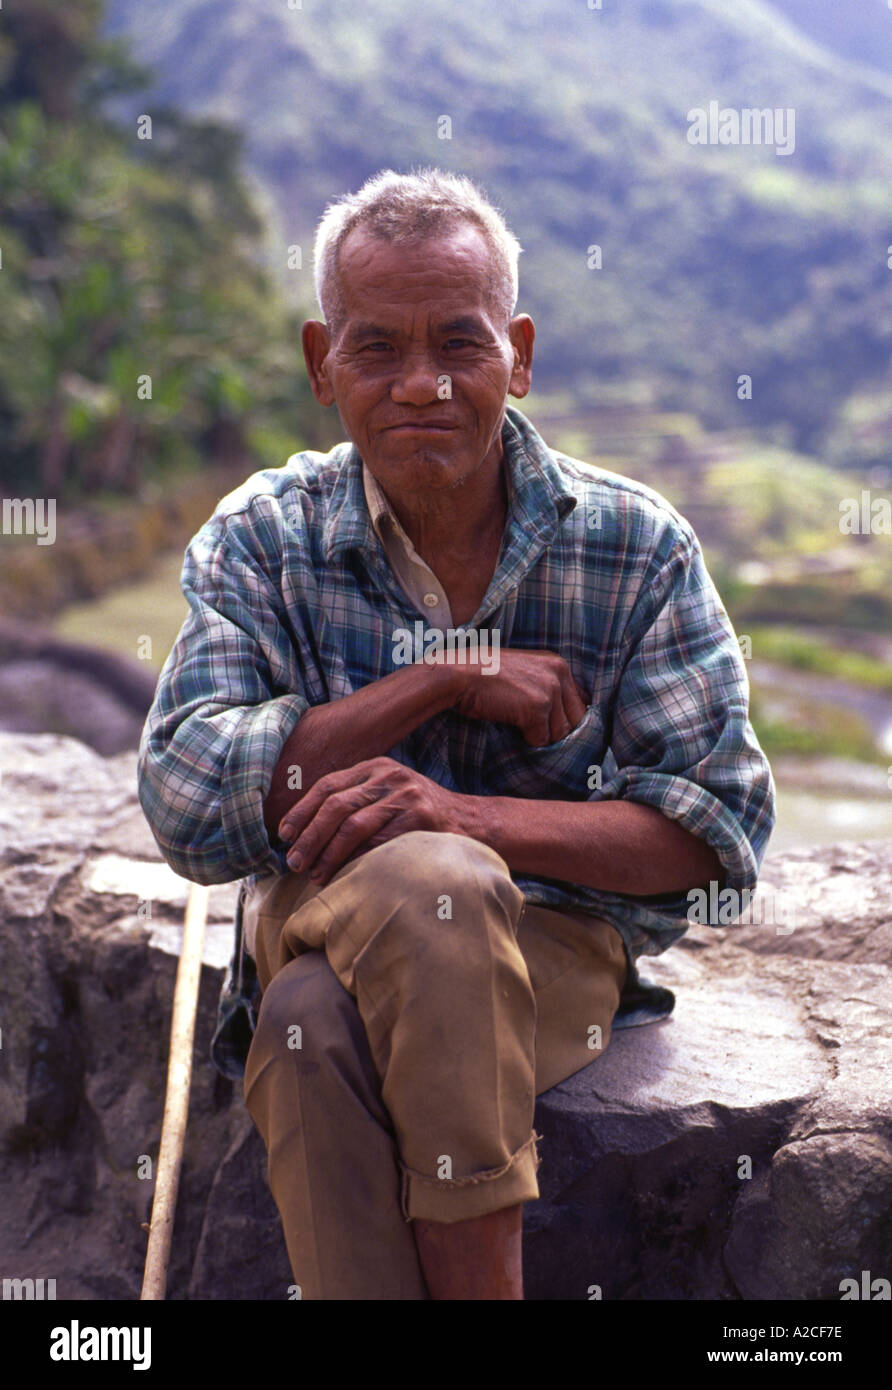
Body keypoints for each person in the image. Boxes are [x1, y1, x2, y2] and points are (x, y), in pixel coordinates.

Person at [137, 167, 775, 1300]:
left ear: (518, 355)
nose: (420, 385)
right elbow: (188, 799)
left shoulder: (634, 545)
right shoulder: (261, 541)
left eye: (459, 345)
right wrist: (436, 680)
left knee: (308, 1023)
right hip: (318, 918)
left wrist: (462, 818)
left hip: (548, 962)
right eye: (376, 348)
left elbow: (714, 826)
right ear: (321, 364)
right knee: (425, 885)